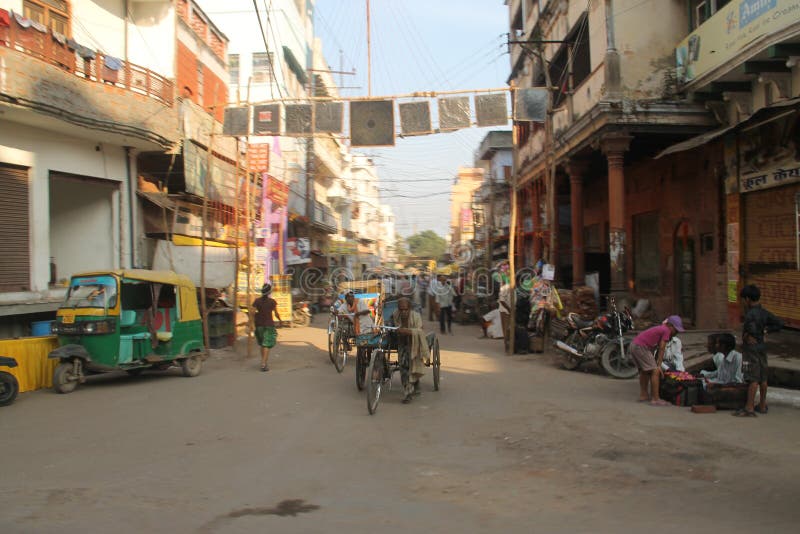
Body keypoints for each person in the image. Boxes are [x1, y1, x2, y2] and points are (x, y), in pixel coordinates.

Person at [734, 284, 782, 417]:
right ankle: (762, 405)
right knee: (763, 378)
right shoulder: (764, 312)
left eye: (743, 299)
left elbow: (751, 331)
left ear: (747, 299)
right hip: (762, 348)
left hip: (751, 350)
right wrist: (766, 331)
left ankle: (749, 407)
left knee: (752, 378)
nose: (742, 302)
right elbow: (779, 323)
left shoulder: (750, 314)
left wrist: (747, 336)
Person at [629, 315, 684, 405]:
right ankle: (655, 398)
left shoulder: (661, 328)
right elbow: (662, 348)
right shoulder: (666, 330)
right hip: (641, 347)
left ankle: (644, 395)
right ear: (670, 326)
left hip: (634, 345)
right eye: (676, 330)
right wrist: (658, 365)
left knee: (644, 370)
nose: (676, 333)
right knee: (655, 371)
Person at [392, 297, 429, 403]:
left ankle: (414, 384)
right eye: (401, 309)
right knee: (403, 367)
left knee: (412, 366)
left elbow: (420, 331)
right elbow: (393, 326)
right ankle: (408, 391)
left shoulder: (416, 316)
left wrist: (407, 331)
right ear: (398, 309)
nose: (403, 312)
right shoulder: (395, 315)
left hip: (414, 344)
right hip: (402, 344)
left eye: (405, 309)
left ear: (409, 308)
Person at [250, 283, 282, 372]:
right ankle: (263, 364)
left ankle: (263, 361)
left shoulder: (257, 301)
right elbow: (276, 313)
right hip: (269, 325)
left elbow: (252, 313)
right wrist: (280, 320)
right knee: (266, 344)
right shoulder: (272, 302)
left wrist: (251, 323)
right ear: (269, 292)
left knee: (262, 344)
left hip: (259, 325)